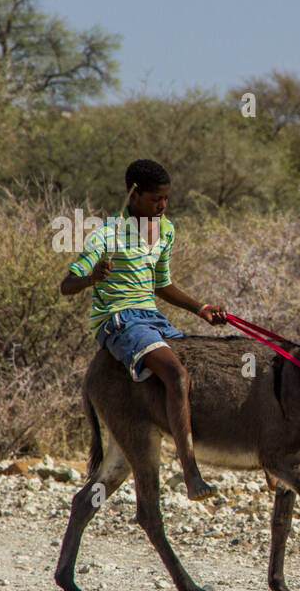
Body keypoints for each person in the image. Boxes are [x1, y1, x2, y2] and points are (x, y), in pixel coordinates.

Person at [60, 159, 227, 501]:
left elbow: (162, 283)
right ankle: (190, 472)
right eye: (155, 199)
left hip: (153, 317)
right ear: (134, 194)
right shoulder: (106, 234)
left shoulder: (166, 229)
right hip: (119, 319)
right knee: (177, 376)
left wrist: (202, 309)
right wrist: (92, 279)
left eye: (166, 198)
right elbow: (66, 284)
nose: (162, 205)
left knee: (203, 371)